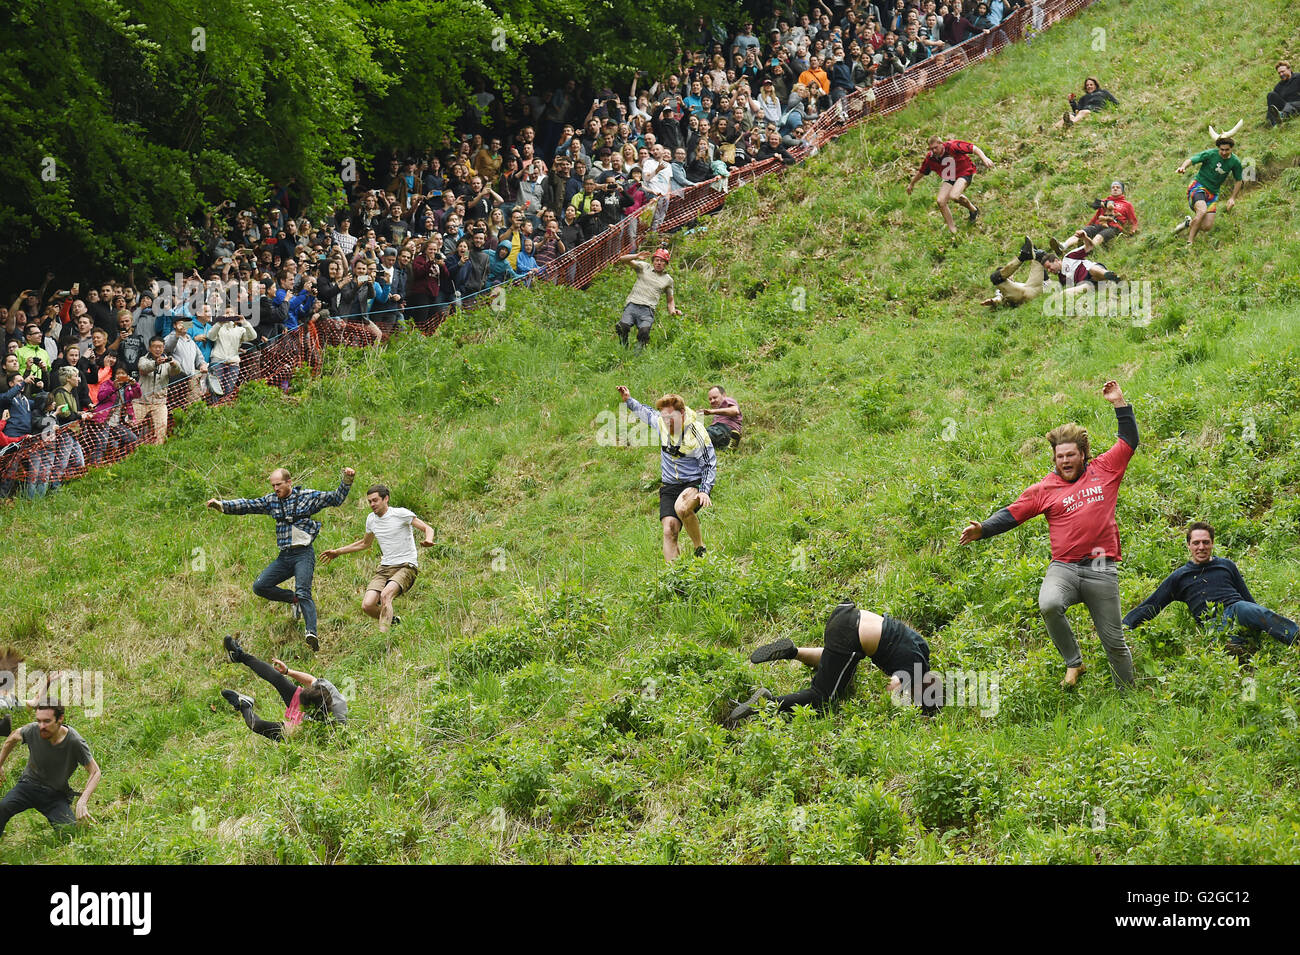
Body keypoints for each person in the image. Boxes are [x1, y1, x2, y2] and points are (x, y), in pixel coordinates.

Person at [959, 380, 1138, 688]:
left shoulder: (1104, 469)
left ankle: (1129, 697)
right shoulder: (1044, 488)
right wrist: (984, 529)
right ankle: (1074, 663)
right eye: (1059, 456)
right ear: (1054, 458)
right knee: (1049, 604)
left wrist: (1119, 404)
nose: (1065, 461)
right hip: (1064, 567)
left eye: (1070, 455)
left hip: (1100, 565)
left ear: (1083, 454)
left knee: (1114, 642)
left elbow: (1128, 440)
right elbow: (1012, 513)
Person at [206, 466, 355, 651]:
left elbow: (335, 499)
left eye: (279, 484)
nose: (275, 489)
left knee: (304, 591)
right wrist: (221, 505)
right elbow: (248, 505)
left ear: (289, 482)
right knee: (260, 586)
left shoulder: (307, 497)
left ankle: (311, 633)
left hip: (303, 554)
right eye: (273, 486)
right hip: (284, 556)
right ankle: (293, 601)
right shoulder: (271, 501)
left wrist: (347, 480)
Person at [726, 601, 942, 725]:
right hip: (850, 635)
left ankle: (793, 652)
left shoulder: (921, 649)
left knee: (840, 666)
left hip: (846, 615)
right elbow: (893, 687)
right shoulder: (915, 671)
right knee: (824, 697)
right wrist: (891, 716)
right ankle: (768, 702)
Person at [1123, 522, 1297, 656]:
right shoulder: (1179, 577)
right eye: (1196, 543)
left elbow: (1248, 599)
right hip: (1213, 625)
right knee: (1233, 652)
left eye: (1206, 542)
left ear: (1212, 543)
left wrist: (1259, 618)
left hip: (1238, 610)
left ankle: (1295, 636)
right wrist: (1124, 627)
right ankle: (1240, 650)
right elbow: (1152, 604)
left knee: (1245, 607)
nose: (1201, 547)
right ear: (1188, 546)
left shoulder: (1226, 565)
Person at [614, 385, 716, 563]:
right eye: (664, 417)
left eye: (671, 417)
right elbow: (646, 413)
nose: (667, 421)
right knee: (669, 530)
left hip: (693, 483)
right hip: (670, 485)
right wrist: (628, 400)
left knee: (683, 508)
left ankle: (699, 548)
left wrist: (704, 490)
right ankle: (675, 577)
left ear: (682, 413)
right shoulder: (661, 422)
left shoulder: (696, 431)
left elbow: (708, 463)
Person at [321, 484, 436, 632]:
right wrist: (337, 552)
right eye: (369, 501)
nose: (372, 504)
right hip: (385, 568)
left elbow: (428, 528)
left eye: (375, 500)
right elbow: (365, 543)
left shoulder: (400, 514)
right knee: (367, 605)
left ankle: (384, 638)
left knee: (386, 595)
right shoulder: (371, 520)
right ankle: (393, 622)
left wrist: (429, 539)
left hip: (406, 566)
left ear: (386, 499)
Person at [0, 703, 102, 839]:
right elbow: (12, 738)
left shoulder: (74, 741)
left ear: (60, 719)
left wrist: (82, 801)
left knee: (70, 832)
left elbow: (95, 772)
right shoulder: (33, 730)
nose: (41, 726)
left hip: (55, 794)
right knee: (2, 808)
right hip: (28, 785)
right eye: (39, 721)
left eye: (47, 721)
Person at [219, 635, 347, 742]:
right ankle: (239, 655)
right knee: (277, 678)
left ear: (312, 709)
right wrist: (287, 671)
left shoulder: (334, 722)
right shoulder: (325, 688)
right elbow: (309, 680)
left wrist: (295, 730)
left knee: (257, 726)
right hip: (313, 710)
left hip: (305, 726)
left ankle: (244, 705)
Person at [907, 136, 993, 234]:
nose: (934, 150)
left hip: (965, 172)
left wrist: (984, 158)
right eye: (931, 149)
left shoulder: (952, 146)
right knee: (940, 201)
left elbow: (973, 148)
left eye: (936, 147)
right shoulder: (931, 158)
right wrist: (911, 184)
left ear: (941, 144)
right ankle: (954, 230)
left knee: (954, 196)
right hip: (950, 177)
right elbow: (922, 171)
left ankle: (973, 210)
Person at [1174, 132, 1244, 245]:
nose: (1224, 152)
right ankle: (1189, 243)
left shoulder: (1235, 162)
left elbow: (1238, 180)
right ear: (1218, 148)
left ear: (1231, 149)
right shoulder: (1210, 154)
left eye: (1227, 150)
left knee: (1206, 226)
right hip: (1198, 186)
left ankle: (1188, 223)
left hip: (1213, 193)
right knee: (1202, 211)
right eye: (1222, 149)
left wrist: (1232, 198)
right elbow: (1192, 160)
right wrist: (1183, 167)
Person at [614, 248, 681, 352]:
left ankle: (637, 354)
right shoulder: (644, 267)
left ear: (666, 263)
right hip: (632, 305)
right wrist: (636, 256)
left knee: (644, 333)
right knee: (622, 327)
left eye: (662, 261)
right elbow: (622, 259)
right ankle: (623, 347)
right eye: (657, 260)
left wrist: (673, 311)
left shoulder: (668, 280)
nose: (659, 263)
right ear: (653, 261)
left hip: (647, 310)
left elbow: (670, 300)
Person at [1049, 180, 1138, 254]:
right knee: (1081, 233)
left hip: (1114, 227)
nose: (1115, 188)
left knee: (1099, 237)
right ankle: (1063, 246)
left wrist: (1133, 230)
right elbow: (1097, 216)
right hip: (1099, 224)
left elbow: (1133, 220)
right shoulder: (1104, 202)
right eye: (1113, 187)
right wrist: (1088, 226)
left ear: (1122, 190)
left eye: (1117, 187)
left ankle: (1085, 250)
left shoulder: (1127, 205)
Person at [981, 236, 1056, 307]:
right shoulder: (1005, 290)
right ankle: (1023, 257)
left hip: (1032, 288)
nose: (1009, 277)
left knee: (1039, 254)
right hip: (1023, 295)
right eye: (1007, 277)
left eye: (1009, 275)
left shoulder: (1017, 284)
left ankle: (1028, 254)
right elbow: (999, 298)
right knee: (994, 277)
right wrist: (993, 301)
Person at [699, 384, 743, 449]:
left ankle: (732, 438)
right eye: (710, 399)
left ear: (724, 395)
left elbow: (735, 411)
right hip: (720, 435)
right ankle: (729, 445)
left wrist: (712, 412)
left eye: (715, 397)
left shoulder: (727, 400)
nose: (712, 401)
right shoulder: (718, 412)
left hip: (724, 429)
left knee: (699, 438)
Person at [1265, 60, 1300, 127]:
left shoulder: (1298, 77)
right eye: (1279, 73)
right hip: (1286, 106)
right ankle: (1270, 122)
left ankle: (1282, 116)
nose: (1281, 74)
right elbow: (1272, 105)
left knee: (1291, 104)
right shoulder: (1278, 86)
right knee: (1271, 95)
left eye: (1283, 71)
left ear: (1289, 69)